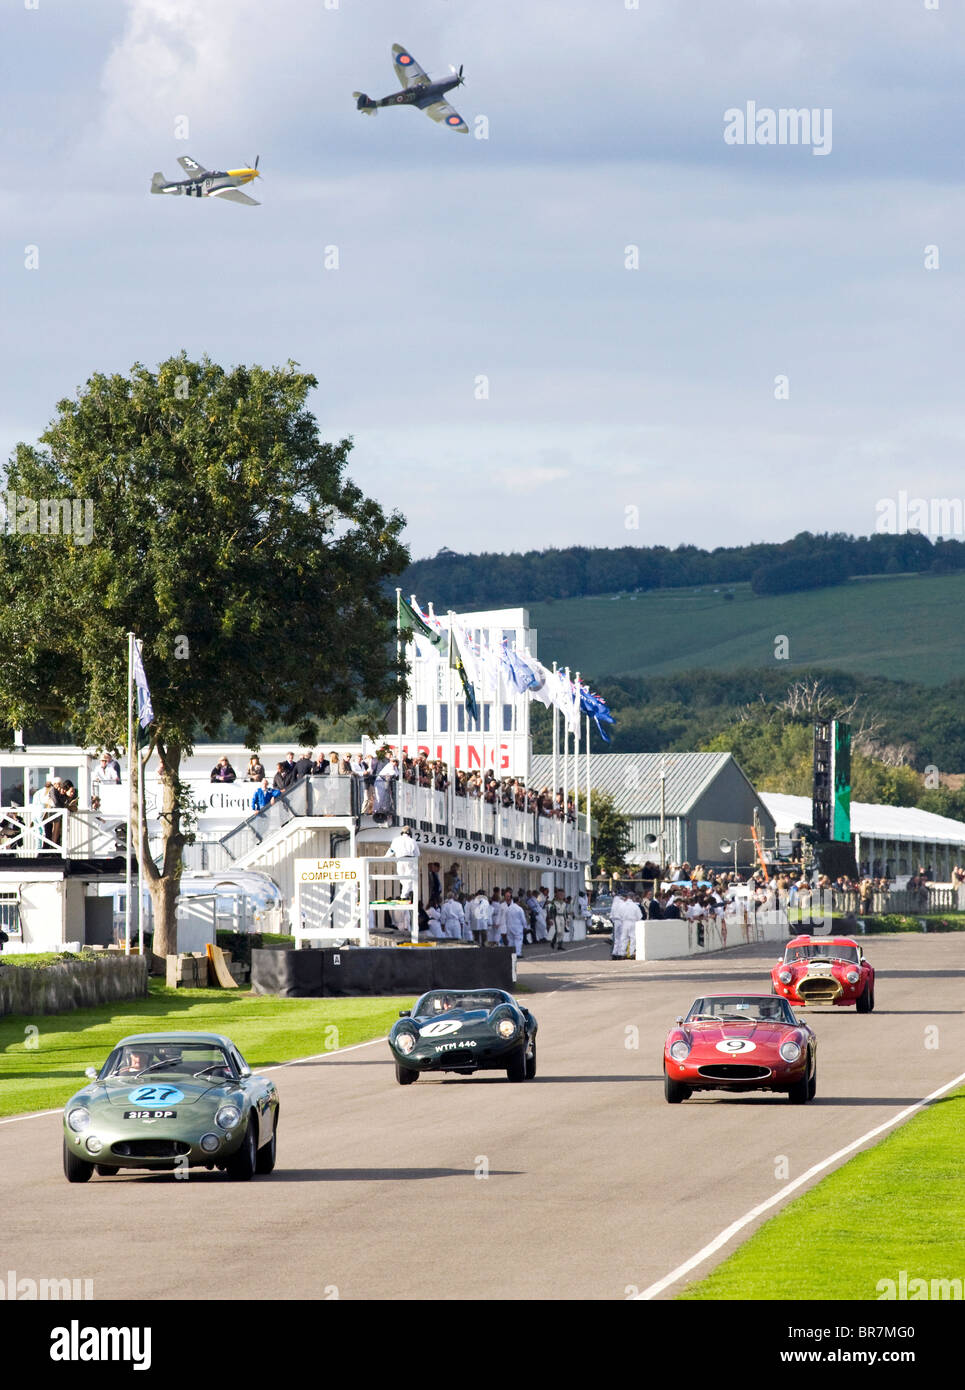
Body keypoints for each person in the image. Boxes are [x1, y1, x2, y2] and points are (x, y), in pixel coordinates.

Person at [386, 825, 419, 900]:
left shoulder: (396, 839)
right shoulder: (412, 841)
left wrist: (385, 857)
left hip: (400, 860)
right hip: (410, 860)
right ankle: (405, 894)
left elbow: (391, 850)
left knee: (402, 878)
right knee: (408, 878)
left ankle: (406, 893)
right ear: (410, 833)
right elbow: (417, 854)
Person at [502, 890, 527, 959]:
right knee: (518, 940)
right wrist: (525, 927)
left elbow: (506, 918)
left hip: (509, 927)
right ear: (518, 901)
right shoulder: (519, 909)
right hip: (517, 927)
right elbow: (523, 919)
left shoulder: (508, 909)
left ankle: (511, 954)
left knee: (511, 940)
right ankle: (518, 953)